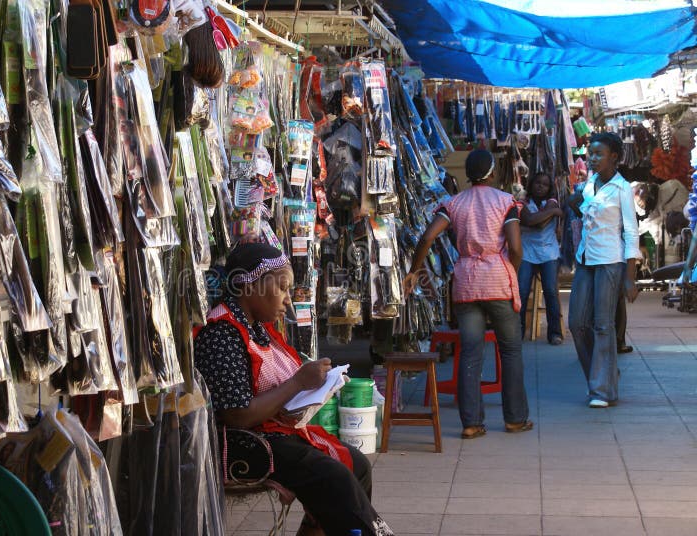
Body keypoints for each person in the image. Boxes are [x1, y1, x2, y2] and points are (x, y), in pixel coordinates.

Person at [194, 242, 393, 536]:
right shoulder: (221, 331)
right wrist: (299, 382)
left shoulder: (256, 326)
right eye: (282, 288)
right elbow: (238, 415)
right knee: (334, 477)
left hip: (272, 434)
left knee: (357, 465)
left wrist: (318, 383)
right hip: (243, 444)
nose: (288, 299)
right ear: (251, 287)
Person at [403, 149, 532, 439]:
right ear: (493, 173)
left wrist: (413, 271)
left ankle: (472, 423)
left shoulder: (453, 203)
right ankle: (515, 419)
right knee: (510, 350)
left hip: (466, 282)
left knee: (470, 352)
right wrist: (510, 269)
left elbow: (426, 237)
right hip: (498, 280)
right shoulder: (505, 202)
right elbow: (515, 247)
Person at [568, 132, 640, 408]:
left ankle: (602, 390)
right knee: (577, 323)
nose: (593, 159)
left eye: (599, 154)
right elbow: (585, 212)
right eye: (591, 154)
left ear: (614, 157)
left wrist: (630, 278)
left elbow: (631, 232)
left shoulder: (622, 189)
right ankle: (605, 375)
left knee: (602, 324)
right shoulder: (589, 184)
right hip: (585, 260)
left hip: (610, 262)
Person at [518, 172, 564, 345]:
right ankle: (519, 331)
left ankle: (555, 333)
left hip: (548, 253)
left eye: (545, 184)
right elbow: (532, 221)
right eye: (537, 183)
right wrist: (553, 212)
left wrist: (548, 211)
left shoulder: (551, 201)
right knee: (521, 292)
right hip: (527, 252)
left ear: (549, 188)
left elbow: (540, 223)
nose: (540, 187)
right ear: (531, 184)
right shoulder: (523, 203)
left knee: (551, 292)